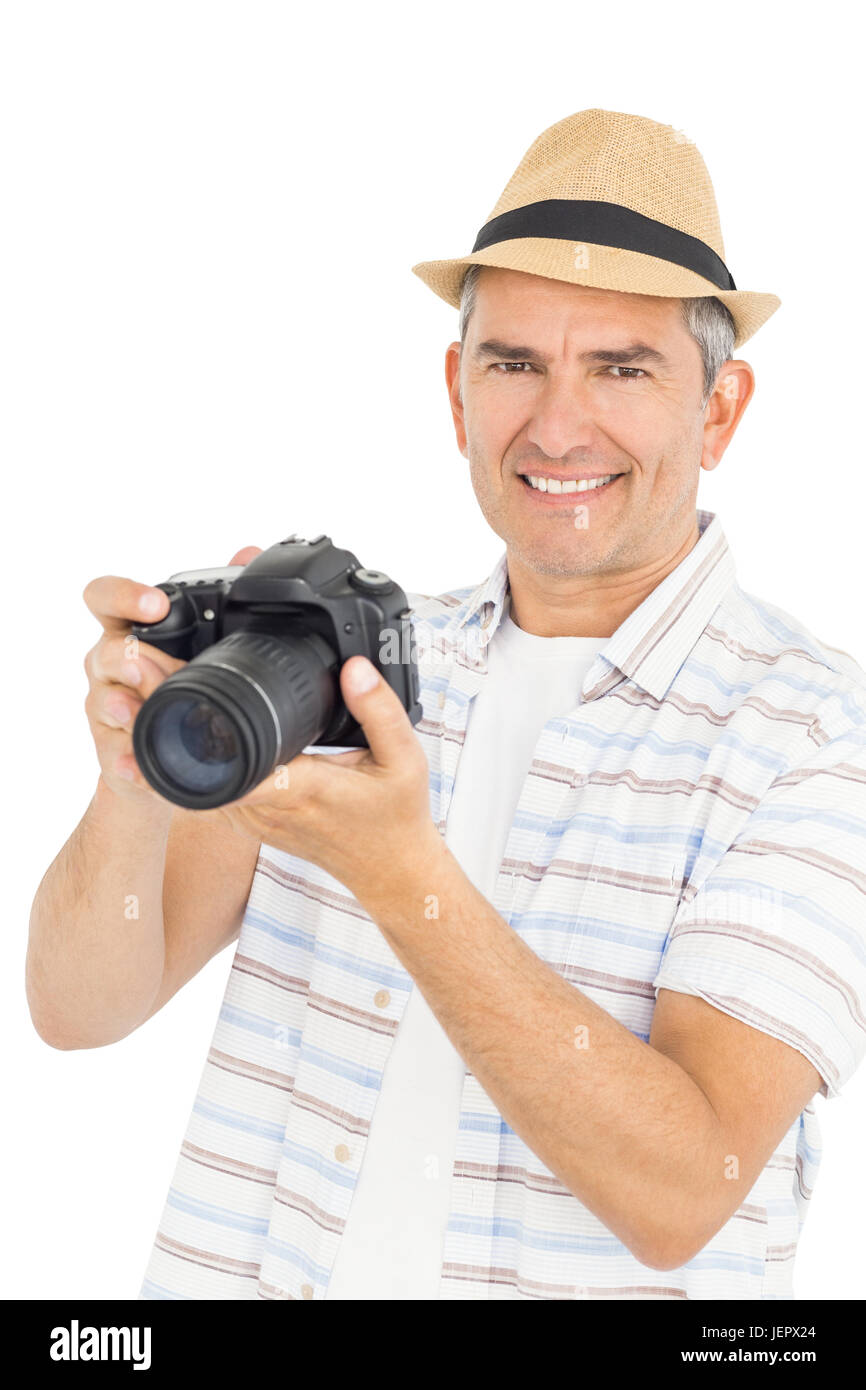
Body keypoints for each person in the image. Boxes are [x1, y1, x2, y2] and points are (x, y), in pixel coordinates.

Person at [27, 108, 866, 1301]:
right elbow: (76, 1008)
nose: (555, 423)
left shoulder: (817, 735)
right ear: (454, 390)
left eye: (621, 368)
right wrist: (132, 780)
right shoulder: (340, 668)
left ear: (719, 409)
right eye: (513, 362)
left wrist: (398, 873)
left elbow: (685, 1188)